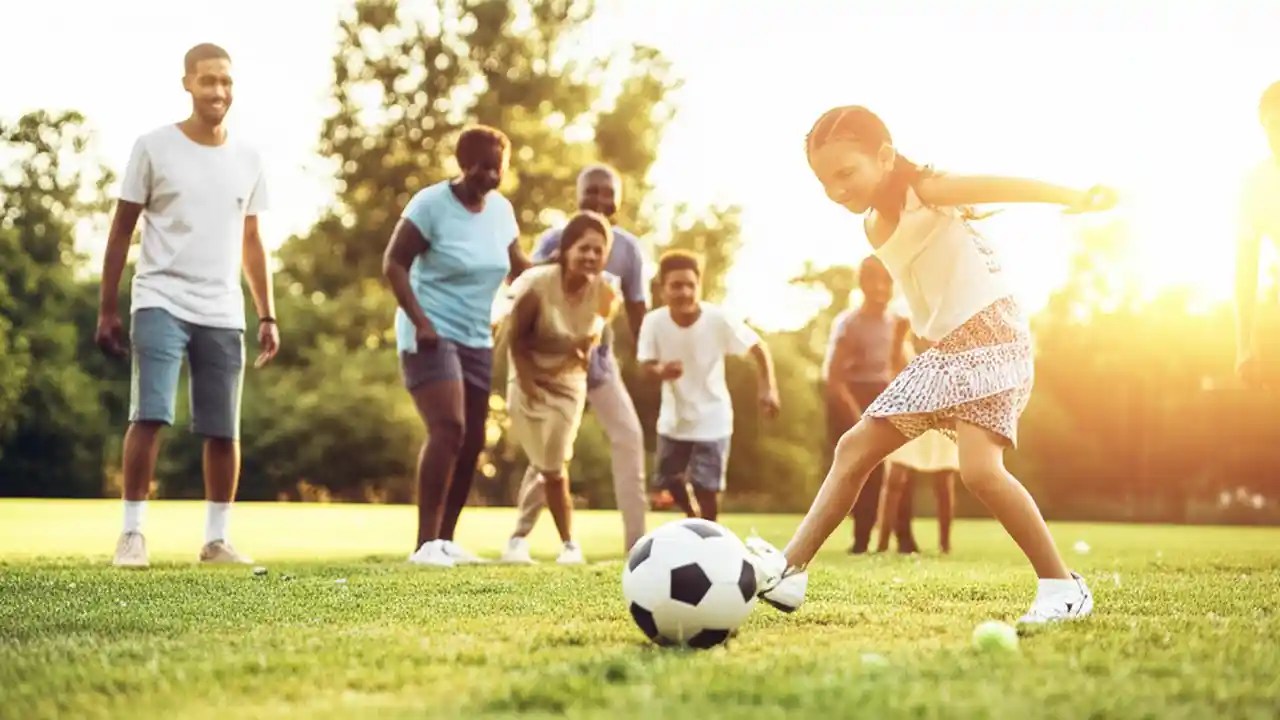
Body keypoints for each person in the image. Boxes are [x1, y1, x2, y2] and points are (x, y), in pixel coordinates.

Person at [745, 105, 1114, 624]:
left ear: (885, 156)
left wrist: (1073, 197)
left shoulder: (927, 191)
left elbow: (999, 186)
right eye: (824, 181)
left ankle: (1063, 587)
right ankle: (790, 572)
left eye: (845, 173)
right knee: (856, 447)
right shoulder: (875, 224)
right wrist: (921, 334)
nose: (836, 190)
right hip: (945, 348)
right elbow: (924, 285)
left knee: (980, 472)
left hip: (991, 332)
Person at [97, 43, 278, 569]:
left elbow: (252, 240)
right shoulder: (153, 147)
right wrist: (108, 308)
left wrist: (266, 312)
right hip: (159, 299)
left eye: (225, 81)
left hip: (221, 308)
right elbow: (120, 230)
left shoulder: (249, 158)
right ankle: (132, 535)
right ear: (187, 84)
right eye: (207, 81)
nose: (218, 91)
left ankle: (216, 540)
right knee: (150, 414)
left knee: (224, 428)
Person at [382, 125, 532, 567]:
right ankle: (424, 544)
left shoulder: (501, 211)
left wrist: (561, 270)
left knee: (470, 443)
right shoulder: (431, 205)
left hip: (475, 337)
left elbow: (518, 268)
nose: (489, 175)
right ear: (462, 164)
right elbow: (393, 263)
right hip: (429, 332)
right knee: (448, 428)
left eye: (497, 168)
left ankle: (445, 542)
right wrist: (421, 321)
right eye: (481, 167)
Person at [501, 165, 649, 564]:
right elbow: (529, 295)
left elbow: (635, 308)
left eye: (608, 193)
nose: (600, 200)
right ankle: (520, 536)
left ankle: (638, 547)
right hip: (548, 365)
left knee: (629, 438)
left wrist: (648, 355)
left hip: (596, 366)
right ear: (578, 195)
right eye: (592, 192)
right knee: (550, 456)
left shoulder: (629, 250)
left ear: (618, 201)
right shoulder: (554, 239)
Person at [503, 212, 620, 565]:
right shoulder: (537, 284)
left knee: (553, 464)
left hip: (569, 381)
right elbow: (516, 339)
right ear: (567, 249)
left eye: (598, 251)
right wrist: (526, 382)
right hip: (528, 377)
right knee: (544, 461)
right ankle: (517, 541)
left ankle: (568, 544)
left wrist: (586, 346)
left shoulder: (605, 293)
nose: (591, 256)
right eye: (584, 248)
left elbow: (596, 326)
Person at [637, 250, 781, 522]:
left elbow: (759, 348)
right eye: (676, 286)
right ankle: (694, 519)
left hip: (713, 416)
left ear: (699, 286)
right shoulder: (654, 322)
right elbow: (645, 367)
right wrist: (661, 371)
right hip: (674, 419)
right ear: (663, 289)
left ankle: (711, 534)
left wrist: (768, 389)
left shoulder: (718, 319)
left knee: (707, 487)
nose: (684, 292)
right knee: (669, 479)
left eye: (691, 285)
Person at [824, 255, 916, 554]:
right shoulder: (849, 323)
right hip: (856, 395)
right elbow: (834, 378)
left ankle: (904, 538)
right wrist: (856, 415)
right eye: (874, 281)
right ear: (862, 284)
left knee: (903, 468)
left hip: (887, 394)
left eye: (887, 282)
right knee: (865, 471)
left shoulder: (896, 323)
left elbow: (901, 365)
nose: (881, 289)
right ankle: (861, 539)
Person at [1235, 80, 1280, 387]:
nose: (1275, 134)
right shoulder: (1255, 185)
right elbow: (1245, 269)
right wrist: (1243, 345)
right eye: (1271, 126)